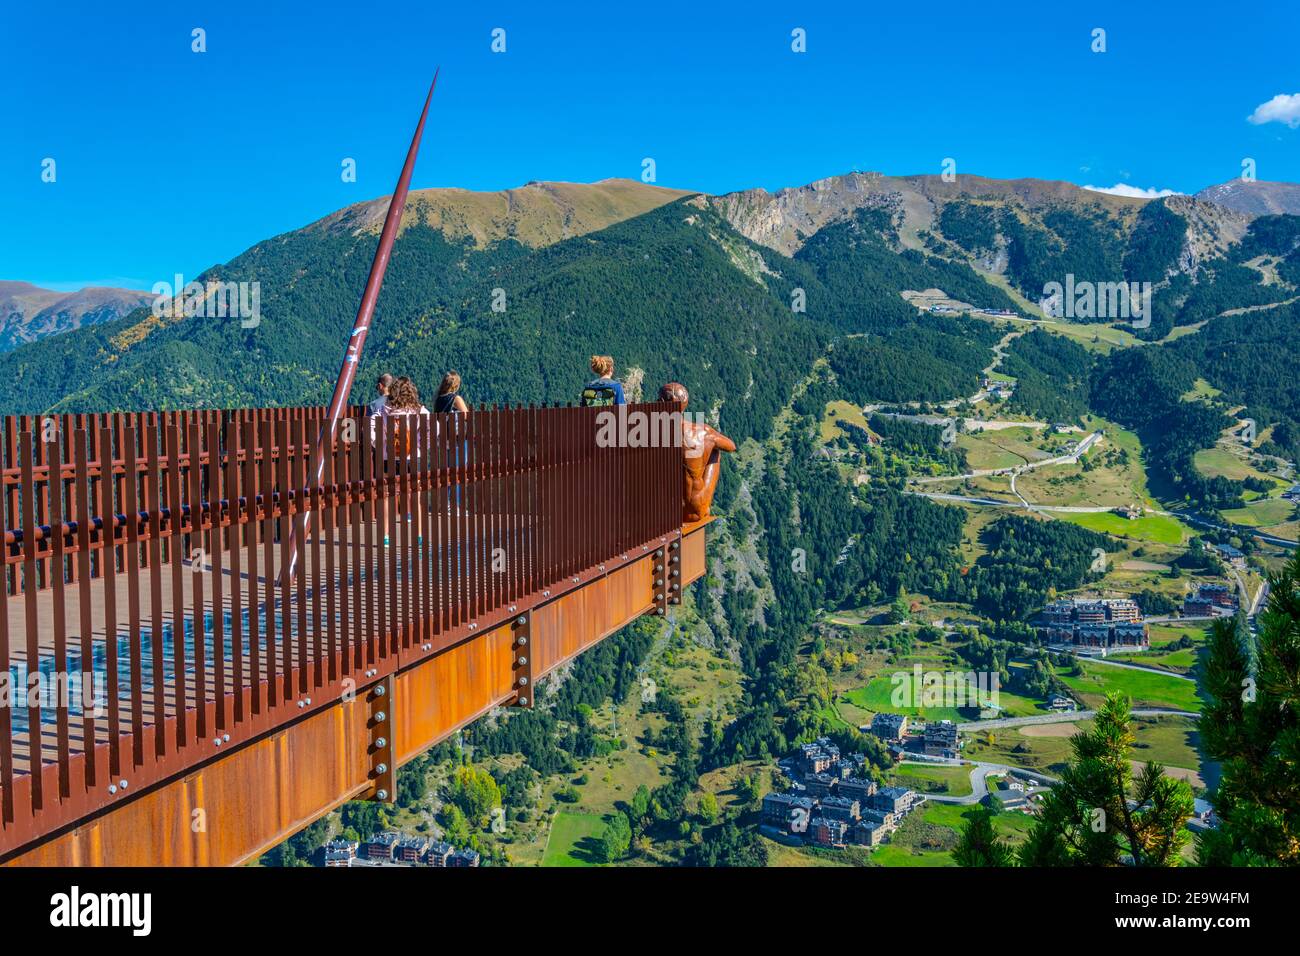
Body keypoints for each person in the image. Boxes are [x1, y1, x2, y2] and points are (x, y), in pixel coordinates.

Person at [659, 382, 735, 523]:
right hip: (695, 510)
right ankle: (705, 504)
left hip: (666, 513)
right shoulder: (702, 432)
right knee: (714, 451)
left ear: (662, 403)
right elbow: (731, 446)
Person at [375, 376, 429, 548]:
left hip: (389, 458)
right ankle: (418, 536)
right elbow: (433, 429)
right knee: (415, 496)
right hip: (413, 458)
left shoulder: (384, 410)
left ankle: (385, 537)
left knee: (387, 497)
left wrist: (380, 445)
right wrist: (420, 445)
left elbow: (369, 429)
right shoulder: (419, 411)